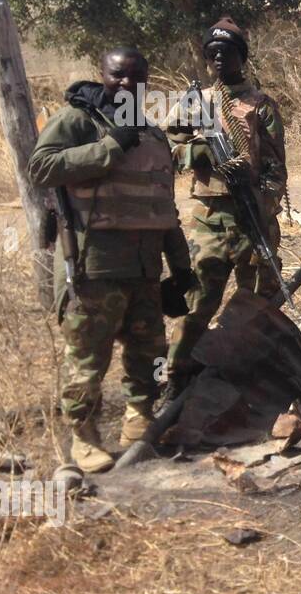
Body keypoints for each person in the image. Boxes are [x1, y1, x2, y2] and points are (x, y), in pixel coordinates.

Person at [28, 48, 194, 481]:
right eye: (118, 75)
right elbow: (41, 167)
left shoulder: (153, 135)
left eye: (137, 77)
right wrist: (107, 148)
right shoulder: (78, 120)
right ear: (103, 75)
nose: (127, 84)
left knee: (151, 355)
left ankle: (140, 419)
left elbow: (164, 209)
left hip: (144, 272)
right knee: (87, 362)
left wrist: (181, 269)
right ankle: (84, 437)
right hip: (93, 271)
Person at [166, 18, 287, 389]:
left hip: (252, 216)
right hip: (210, 220)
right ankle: (177, 374)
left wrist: (262, 202)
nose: (220, 59)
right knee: (200, 299)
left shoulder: (261, 106)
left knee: (258, 301)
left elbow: (276, 169)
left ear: (242, 57)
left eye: (228, 52)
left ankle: (245, 366)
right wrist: (196, 154)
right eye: (213, 53)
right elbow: (165, 153)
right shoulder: (195, 103)